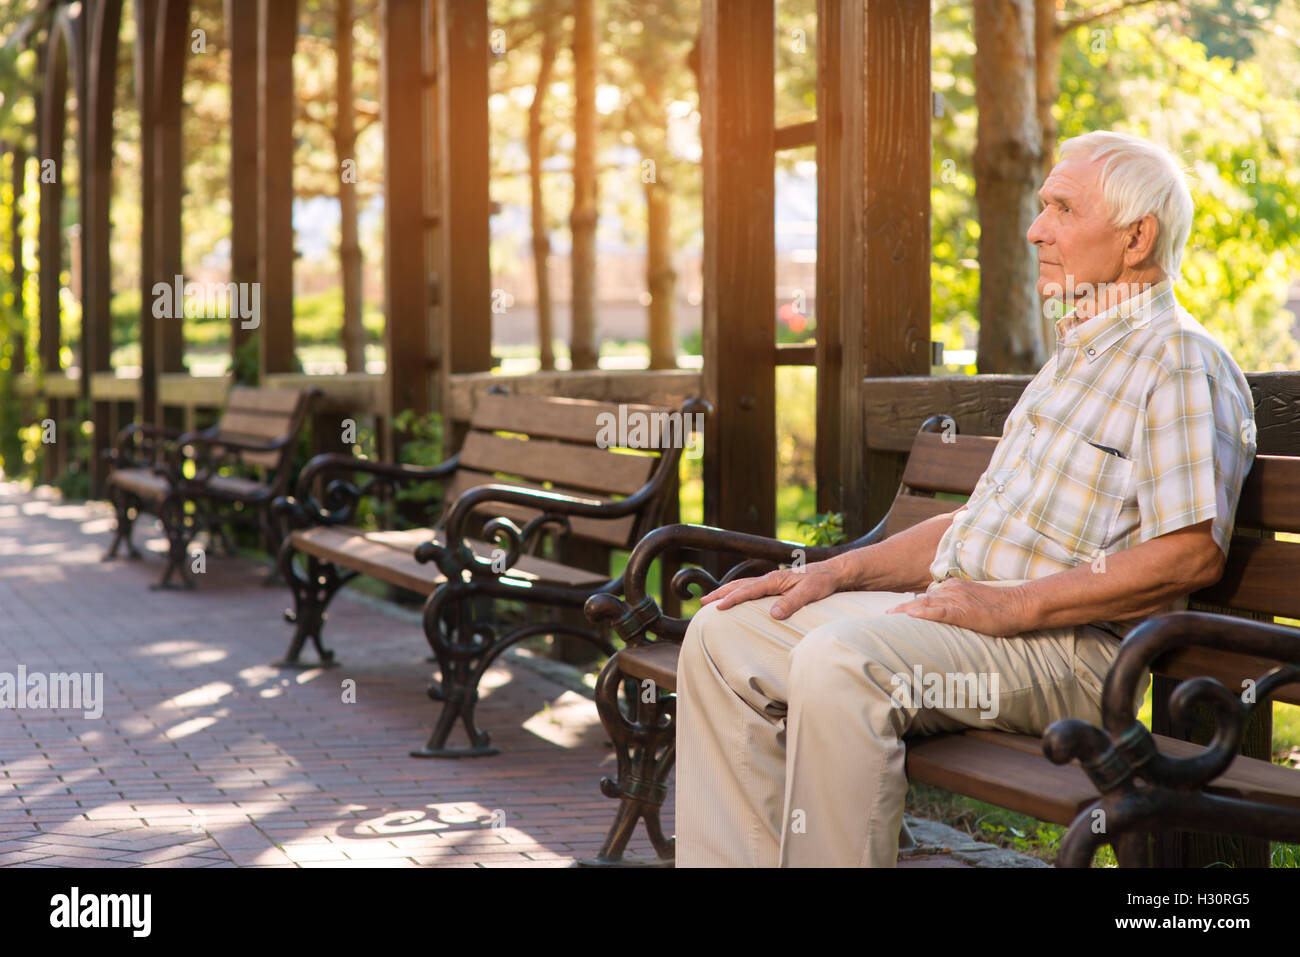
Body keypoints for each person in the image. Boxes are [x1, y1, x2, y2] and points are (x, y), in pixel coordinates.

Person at [674, 130, 1257, 867]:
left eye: (1062, 208)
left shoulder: (1179, 360)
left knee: (842, 660)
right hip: (975, 625)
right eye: (1041, 205)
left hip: (1067, 656)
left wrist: (1009, 604)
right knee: (725, 634)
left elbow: (1190, 551)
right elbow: (971, 523)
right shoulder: (1073, 360)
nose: (1035, 227)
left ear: (1137, 237)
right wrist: (832, 570)